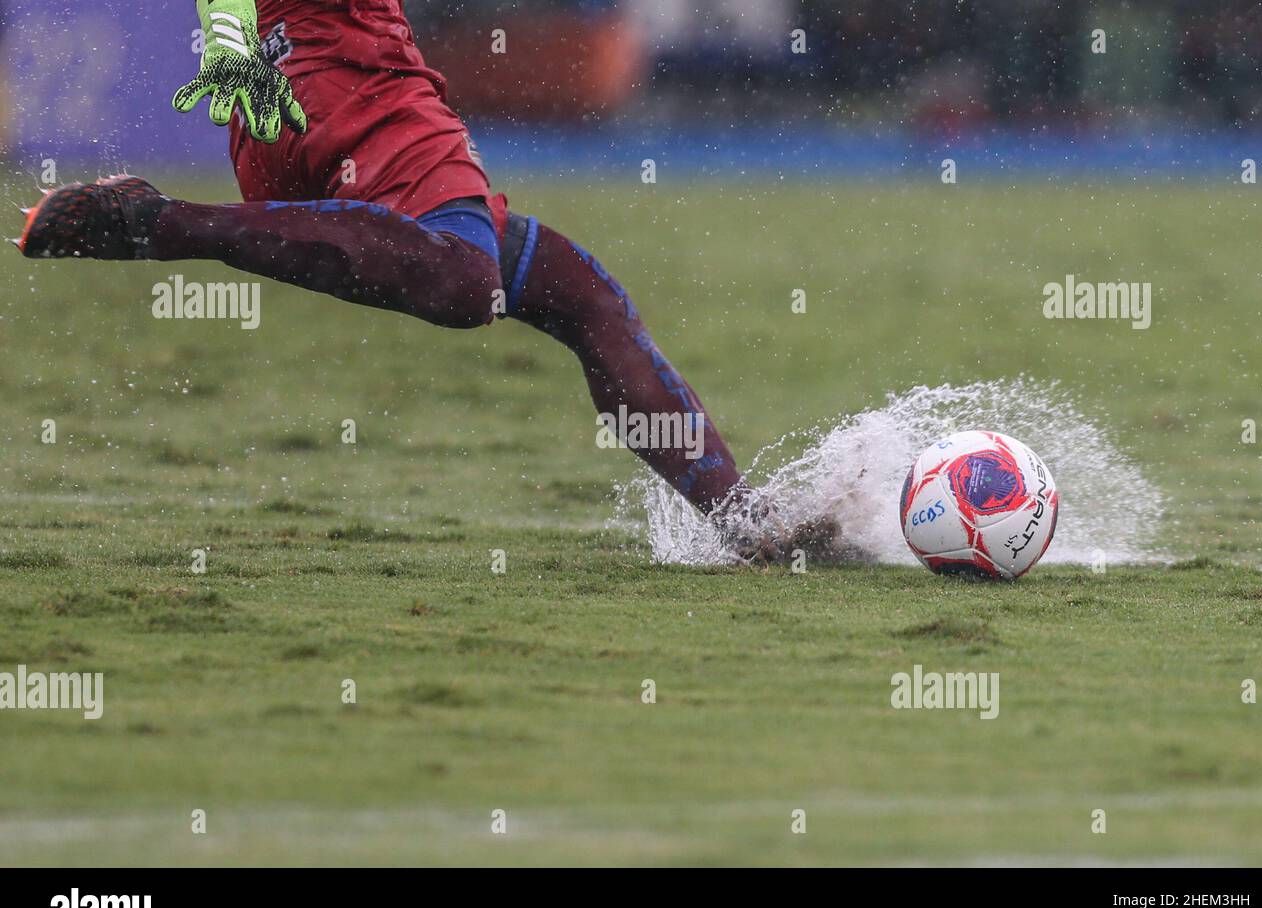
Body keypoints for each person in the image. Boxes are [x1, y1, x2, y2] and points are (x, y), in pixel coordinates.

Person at [16, 0, 836, 561]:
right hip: (349, 65)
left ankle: (748, 528)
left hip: (270, 82)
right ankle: (157, 223)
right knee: (465, 280)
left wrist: (233, 44)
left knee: (574, 294)